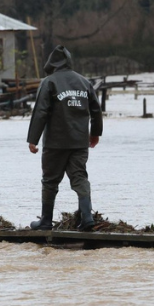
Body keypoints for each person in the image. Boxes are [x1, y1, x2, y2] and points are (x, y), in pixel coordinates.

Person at [26, 45, 103, 231]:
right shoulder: (84, 82)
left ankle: (45, 221)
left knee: (50, 181)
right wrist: (95, 133)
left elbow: (40, 112)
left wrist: (33, 139)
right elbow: (96, 110)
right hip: (79, 142)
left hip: (55, 143)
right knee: (80, 177)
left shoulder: (49, 82)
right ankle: (87, 217)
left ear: (51, 63)